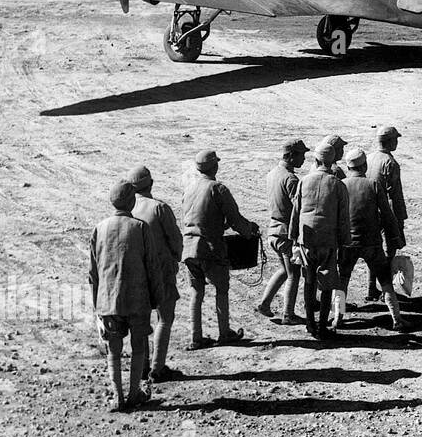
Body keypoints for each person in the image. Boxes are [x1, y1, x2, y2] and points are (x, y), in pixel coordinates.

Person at [90, 181, 164, 412]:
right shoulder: (140, 228)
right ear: (132, 201)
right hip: (137, 299)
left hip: (108, 300)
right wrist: (156, 298)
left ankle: (117, 397)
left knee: (113, 348)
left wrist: (98, 303)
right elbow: (152, 266)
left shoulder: (99, 228)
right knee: (138, 345)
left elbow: (93, 272)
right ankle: (134, 392)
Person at [181, 149, 258, 350]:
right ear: (215, 166)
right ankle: (224, 332)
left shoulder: (189, 189)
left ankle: (195, 336)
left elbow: (198, 218)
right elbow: (235, 220)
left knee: (196, 291)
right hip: (210, 248)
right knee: (221, 289)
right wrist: (249, 232)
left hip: (189, 248)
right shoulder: (218, 188)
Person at [125, 165, 184, 384]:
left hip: (137, 273)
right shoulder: (159, 208)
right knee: (165, 318)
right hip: (161, 270)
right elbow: (175, 240)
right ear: (151, 183)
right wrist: (176, 258)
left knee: (141, 321)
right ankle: (158, 369)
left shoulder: (127, 208)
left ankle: (142, 366)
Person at [340, 147, 407, 331]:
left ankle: (337, 319)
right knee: (386, 282)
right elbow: (387, 215)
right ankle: (397, 319)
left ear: (347, 166)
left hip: (347, 243)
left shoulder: (341, 185)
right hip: (372, 243)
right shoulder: (373, 185)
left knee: (343, 281)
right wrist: (395, 238)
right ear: (365, 165)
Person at [289, 143, 350, 340]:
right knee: (326, 283)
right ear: (333, 161)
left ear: (315, 160)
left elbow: (296, 211)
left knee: (309, 281)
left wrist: (293, 238)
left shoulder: (304, 181)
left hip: (306, 239)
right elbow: (343, 217)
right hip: (328, 240)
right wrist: (343, 242)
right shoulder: (338, 184)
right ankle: (322, 326)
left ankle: (309, 324)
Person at [255, 138, 306, 327]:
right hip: (286, 234)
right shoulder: (291, 179)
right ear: (291, 156)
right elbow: (299, 209)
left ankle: (264, 303)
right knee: (294, 274)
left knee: (284, 270)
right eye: (301, 154)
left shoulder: (273, 174)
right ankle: (288, 314)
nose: (303, 159)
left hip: (273, 231)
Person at [365, 126, 407, 305]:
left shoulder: (368, 158)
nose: (397, 142)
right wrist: (399, 219)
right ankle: (386, 290)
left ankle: (370, 288)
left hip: (370, 211)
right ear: (389, 142)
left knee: (374, 251)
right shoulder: (390, 162)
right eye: (395, 139)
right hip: (386, 212)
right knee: (390, 252)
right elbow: (394, 194)